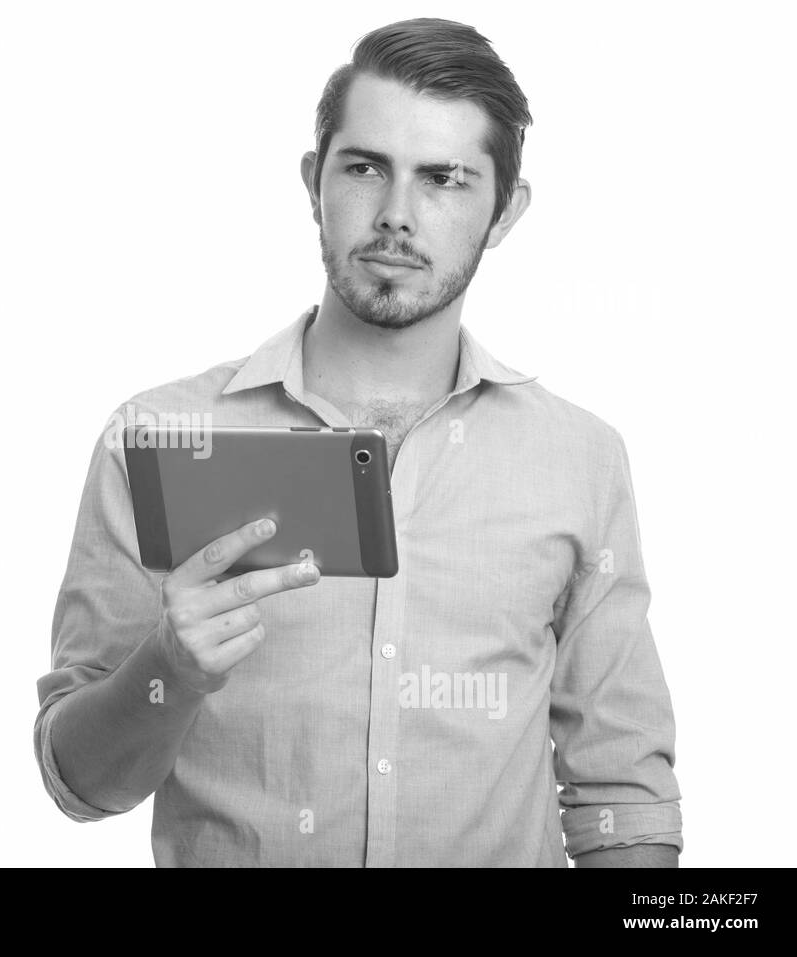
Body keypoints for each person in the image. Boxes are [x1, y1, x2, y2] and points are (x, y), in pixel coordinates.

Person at [34, 17, 683, 867]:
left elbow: (621, 799)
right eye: (365, 167)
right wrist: (168, 669)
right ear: (314, 182)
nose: (395, 216)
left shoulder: (580, 460)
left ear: (504, 212)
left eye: (445, 179)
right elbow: (82, 781)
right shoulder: (158, 439)